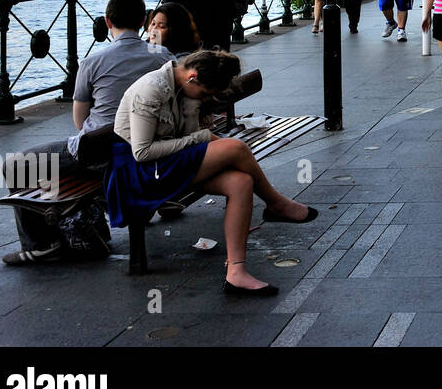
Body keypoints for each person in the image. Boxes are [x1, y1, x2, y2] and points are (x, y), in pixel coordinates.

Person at [108, 49, 317, 296]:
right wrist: (202, 137)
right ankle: (276, 203)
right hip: (141, 173)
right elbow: (141, 153)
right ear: (193, 76)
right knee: (236, 147)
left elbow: (188, 136)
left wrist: (199, 130)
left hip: (168, 163)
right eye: (206, 93)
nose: (205, 98)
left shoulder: (186, 87)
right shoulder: (151, 89)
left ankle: (236, 273)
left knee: (241, 181)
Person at [0, 0, 174, 266]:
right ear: (143, 21)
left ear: (107, 22)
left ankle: (41, 245)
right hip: (148, 151)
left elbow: (80, 120)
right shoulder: (162, 55)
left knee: (19, 164)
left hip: (99, 152)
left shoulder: (94, 61)